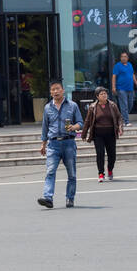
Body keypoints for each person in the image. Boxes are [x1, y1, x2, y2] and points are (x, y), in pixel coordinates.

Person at [38, 80, 83, 208]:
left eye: (57, 89)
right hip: (53, 144)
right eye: (53, 89)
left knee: (72, 173)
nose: (55, 91)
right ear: (50, 92)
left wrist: (74, 127)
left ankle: (70, 198)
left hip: (68, 143)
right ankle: (48, 198)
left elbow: (81, 123)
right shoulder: (48, 107)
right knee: (50, 171)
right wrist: (43, 144)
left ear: (63, 90)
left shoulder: (72, 105)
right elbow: (45, 127)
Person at [82, 87, 123, 182]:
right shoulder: (92, 107)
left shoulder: (112, 105)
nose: (104, 95)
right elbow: (88, 121)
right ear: (97, 96)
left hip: (111, 134)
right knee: (100, 154)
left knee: (112, 155)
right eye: (102, 94)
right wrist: (84, 133)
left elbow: (119, 117)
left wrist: (120, 128)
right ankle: (101, 173)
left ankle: (110, 170)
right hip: (98, 134)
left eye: (105, 93)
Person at [112, 51, 137, 128]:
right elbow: (114, 76)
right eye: (122, 56)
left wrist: (136, 84)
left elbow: (132, 75)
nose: (123, 58)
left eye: (125, 56)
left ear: (127, 58)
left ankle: (122, 117)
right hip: (121, 88)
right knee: (124, 105)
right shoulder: (117, 66)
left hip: (130, 88)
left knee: (130, 104)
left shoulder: (130, 65)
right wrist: (113, 87)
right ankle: (126, 121)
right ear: (120, 58)